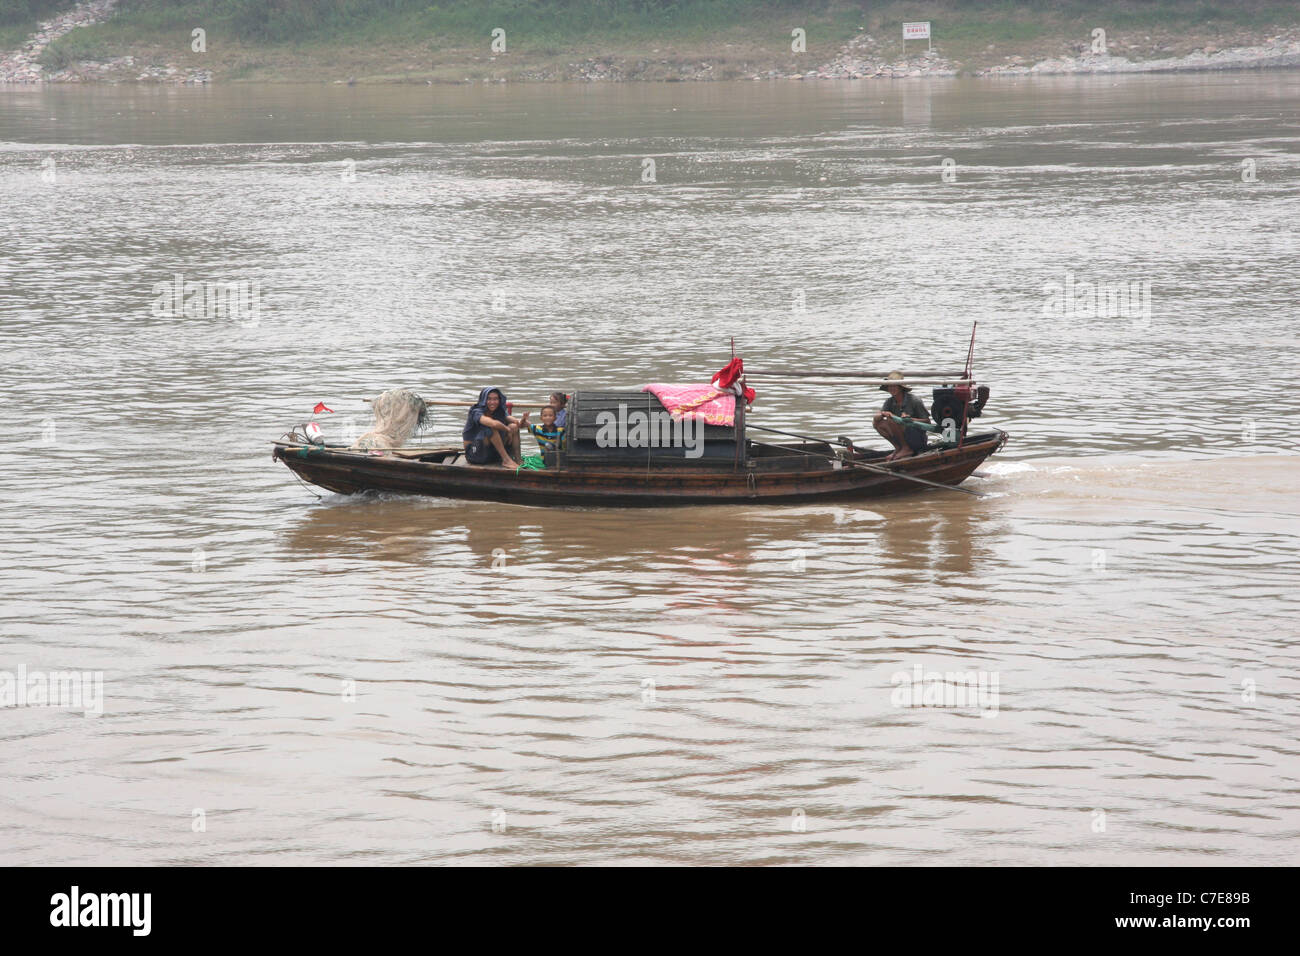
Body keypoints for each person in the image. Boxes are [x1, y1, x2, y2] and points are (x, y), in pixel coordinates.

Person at [873, 370, 931, 461]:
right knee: (878, 423)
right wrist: (880, 415)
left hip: (916, 438)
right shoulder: (889, 402)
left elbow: (928, 422)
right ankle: (899, 448)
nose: (892, 388)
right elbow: (877, 418)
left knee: (891, 419)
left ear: (900, 387)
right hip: (901, 438)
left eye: (894, 386)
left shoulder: (914, 400)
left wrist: (910, 419)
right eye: (890, 386)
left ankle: (906, 448)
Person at [462, 386, 522, 469]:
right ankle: (506, 460)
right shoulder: (476, 411)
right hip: (475, 454)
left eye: (495, 399)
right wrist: (507, 429)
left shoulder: (499, 411)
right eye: (489, 399)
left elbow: (514, 421)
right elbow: (493, 424)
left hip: (491, 453)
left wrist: (522, 422)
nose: (492, 402)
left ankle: (518, 460)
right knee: (490, 428)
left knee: (513, 427)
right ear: (483, 400)